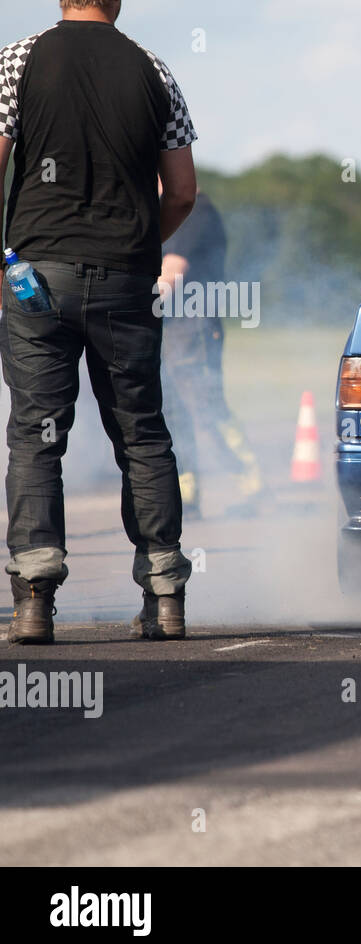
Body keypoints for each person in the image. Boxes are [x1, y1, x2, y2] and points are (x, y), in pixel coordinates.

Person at [0, 0, 197, 643]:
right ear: (119, 2)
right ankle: (164, 597)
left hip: (36, 281)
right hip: (126, 282)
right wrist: (139, 248)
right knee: (141, 435)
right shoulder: (154, 69)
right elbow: (184, 190)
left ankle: (33, 599)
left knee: (36, 436)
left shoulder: (18, 60)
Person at [157, 183, 263, 518]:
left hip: (194, 327)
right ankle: (186, 494)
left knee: (206, 408)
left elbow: (172, 272)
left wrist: (128, 307)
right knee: (174, 412)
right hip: (173, 326)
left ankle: (252, 487)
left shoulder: (194, 210)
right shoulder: (175, 210)